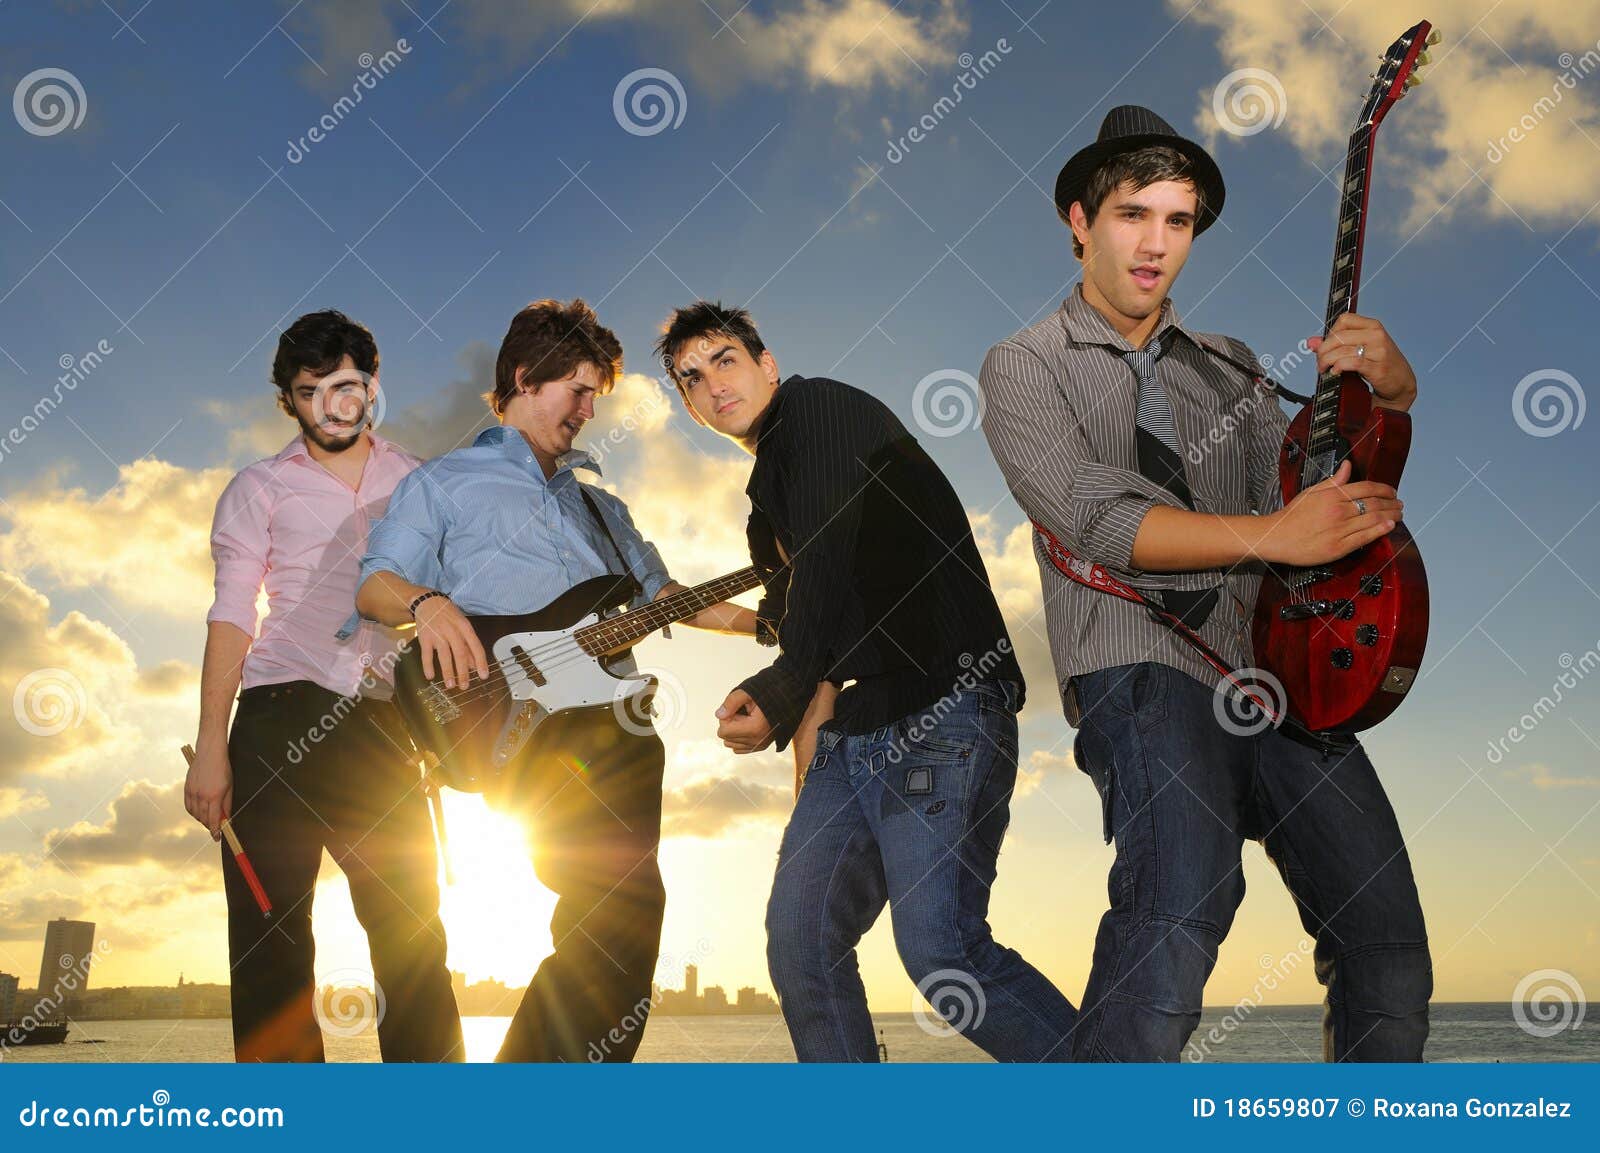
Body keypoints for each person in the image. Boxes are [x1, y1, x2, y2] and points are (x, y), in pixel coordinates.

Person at [979, 105, 1432, 1061]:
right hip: (1140, 664)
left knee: (1387, 944)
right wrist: (1277, 534)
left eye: (1177, 221)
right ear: (1079, 221)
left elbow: (1326, 490)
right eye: (1132, 215)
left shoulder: (1229, 366)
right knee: (1181, 905)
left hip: (1275, 669)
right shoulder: (1022, 365)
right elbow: (1093, 515)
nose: (1155, 245)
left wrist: (1389, 394)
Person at [656, 301, 1077, 1062]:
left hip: (944, 700)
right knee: (800, 945)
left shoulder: (817, 409)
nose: (712, 384)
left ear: (767, 363)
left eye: (724, 359)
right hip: (854, 732)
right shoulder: (765, 503)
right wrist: (805, 778)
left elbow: (817, 568)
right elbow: (802, 624)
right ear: (688, 407)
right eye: (691, 379)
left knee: (942, 951)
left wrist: (781, 686)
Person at [352, 297, 755, 1062]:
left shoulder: (604, 508)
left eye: (596, 394)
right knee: (612, 902)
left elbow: (667, 600)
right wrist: (427, 604)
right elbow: (376, 586)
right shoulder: (444, 483)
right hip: (513, 719)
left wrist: (768, 621)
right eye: (577, 387)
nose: (589, 409)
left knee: (629, 914)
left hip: (619, 724)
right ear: (522, 378)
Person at [186, 309, 462, 1062]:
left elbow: (449, 597)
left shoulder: (417, 479)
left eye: (340, 388)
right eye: (306, 392)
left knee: (413, 936)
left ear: (369, 388)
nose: (325, 408)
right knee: (269, 944)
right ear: (289, 400)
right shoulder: (258, 487)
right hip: (276, 717)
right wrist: (213, 745)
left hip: (381, 725)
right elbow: (232, 613)